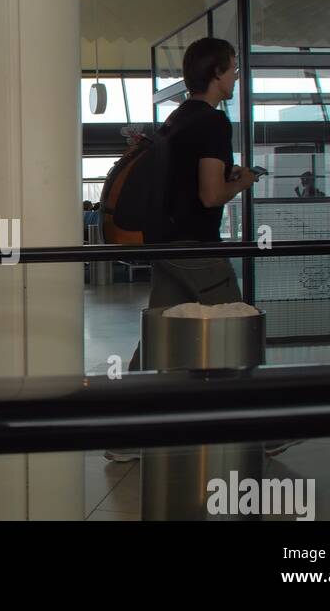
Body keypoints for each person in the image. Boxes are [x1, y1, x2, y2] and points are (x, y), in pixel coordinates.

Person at [106, 37, 259, 463]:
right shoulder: (213, 122)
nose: (235, 75)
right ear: (216, 73)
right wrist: (241, 182)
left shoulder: (177, 119)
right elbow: (211, 196)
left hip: (165, 243)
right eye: (232, 67)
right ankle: (262, 433)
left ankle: (122, 436)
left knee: (158, 340)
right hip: (195, 246)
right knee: (237, 331)